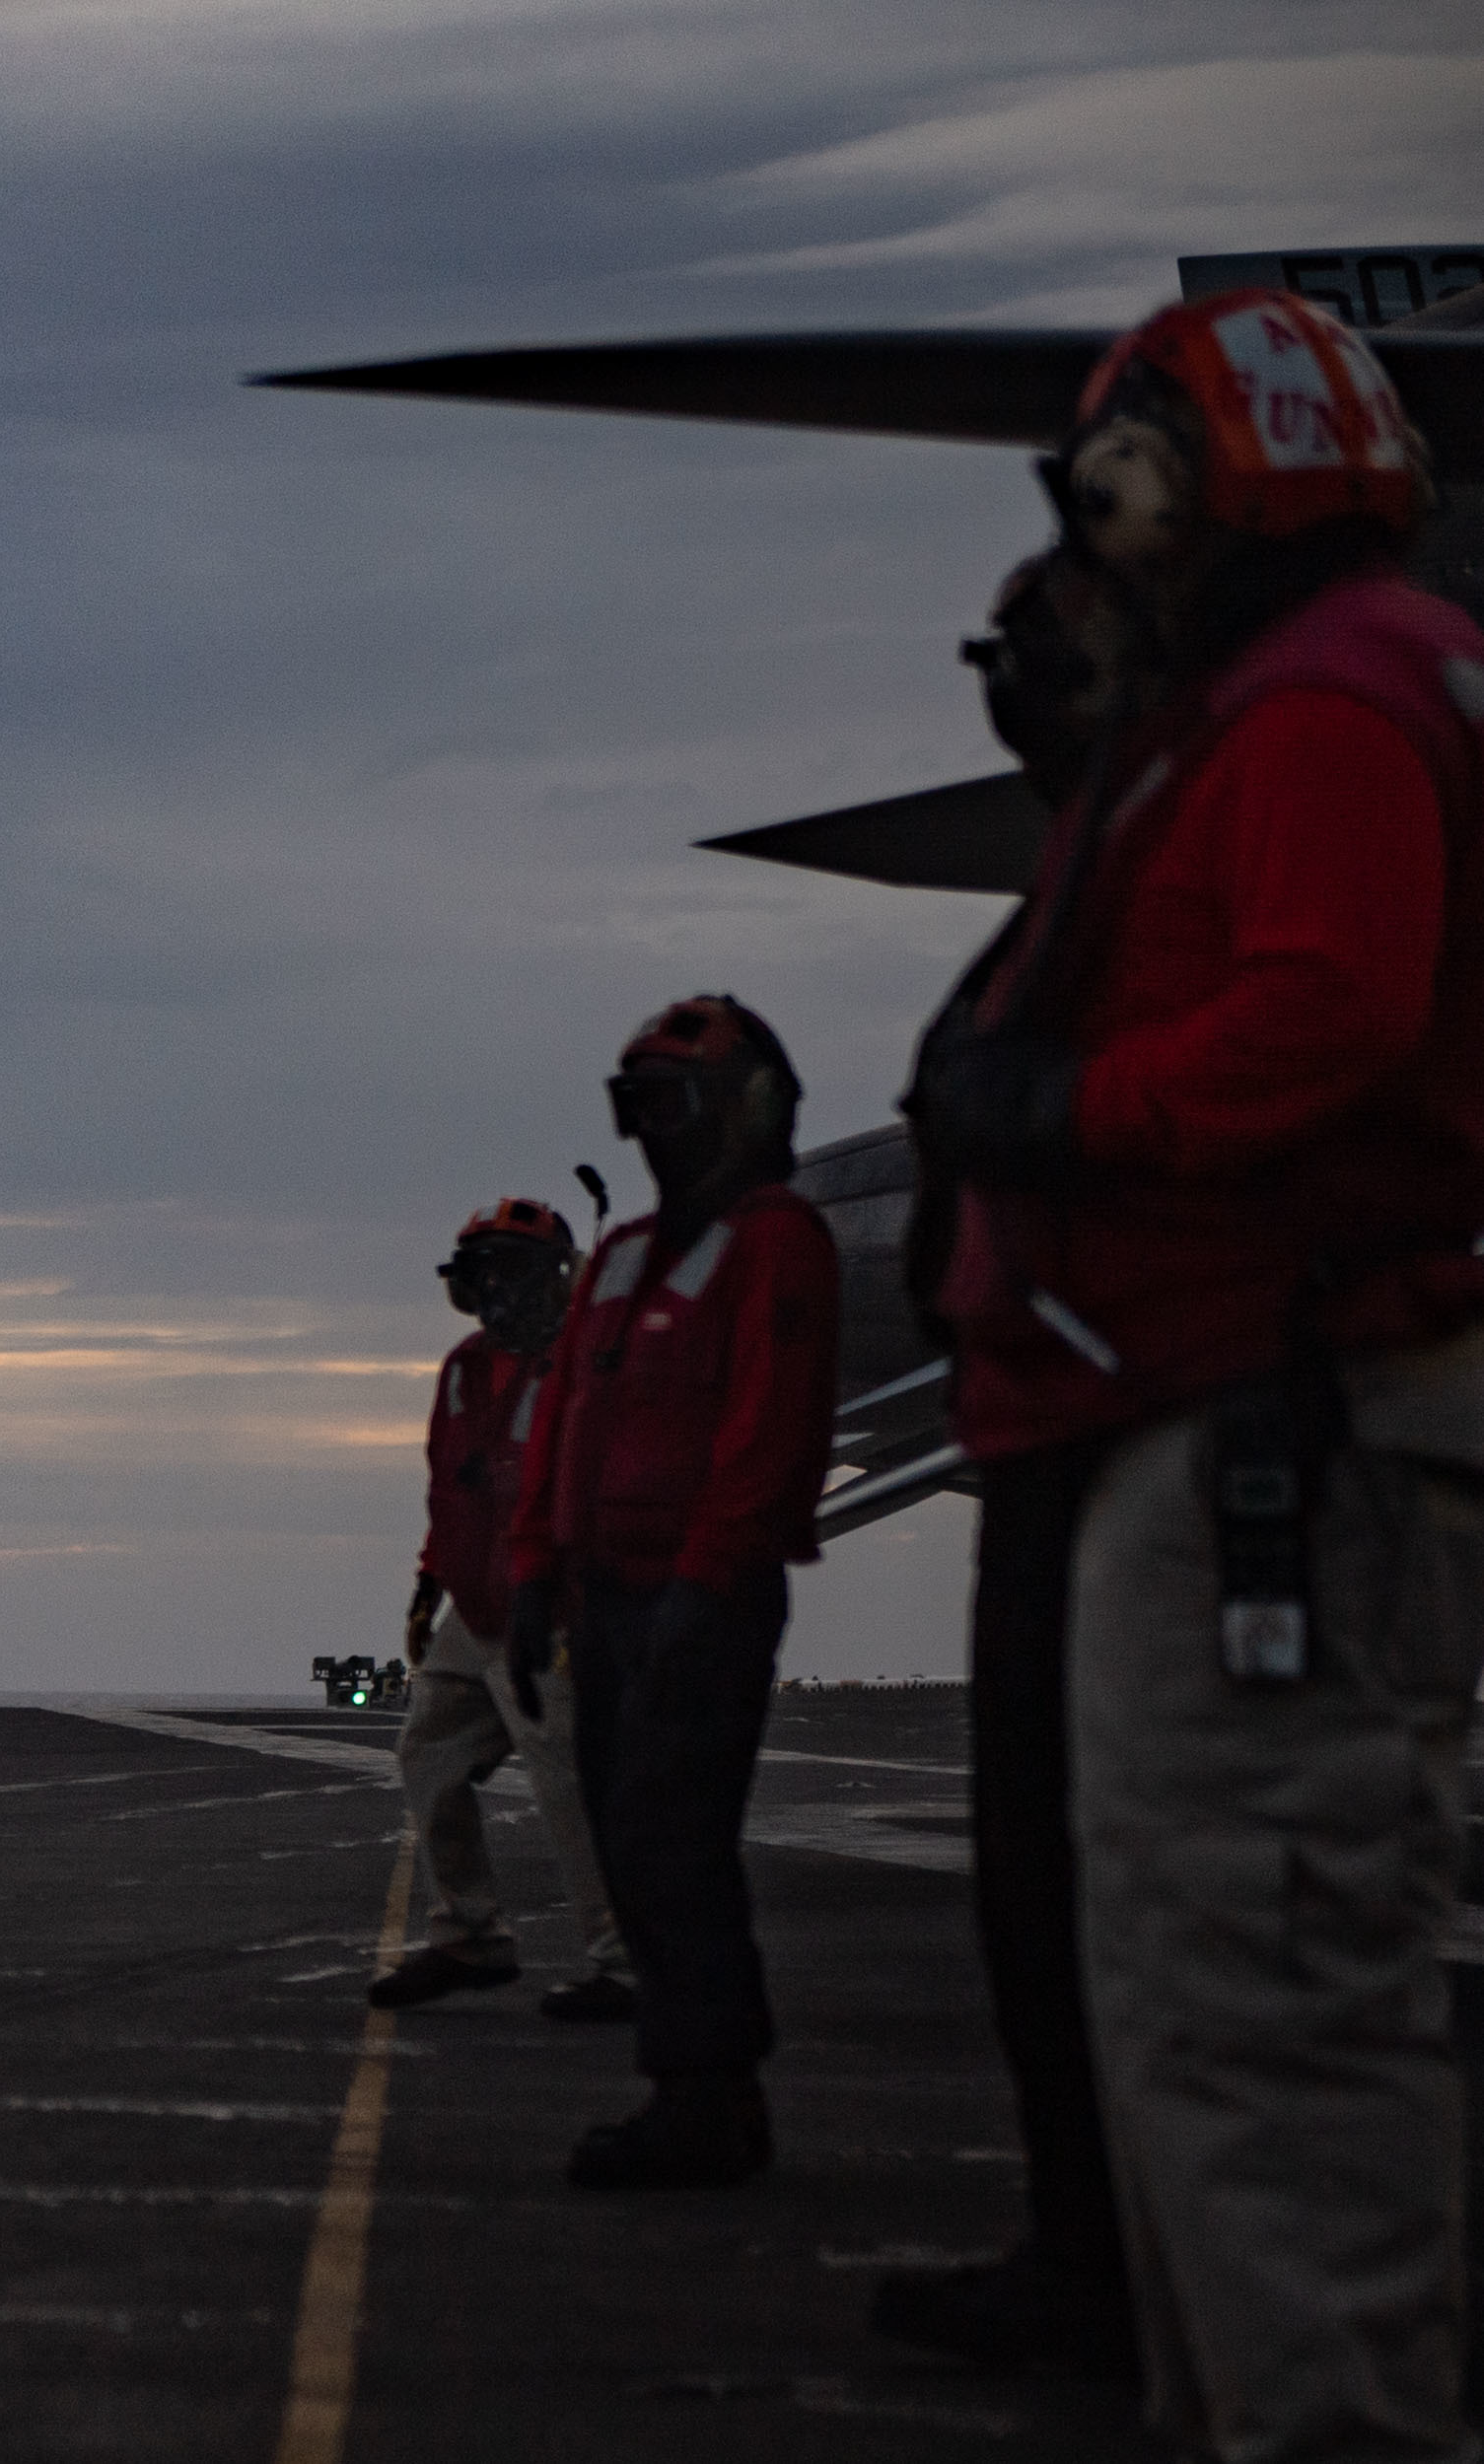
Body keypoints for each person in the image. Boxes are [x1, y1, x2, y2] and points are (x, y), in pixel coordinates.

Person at [896, 290, 1484, 2458]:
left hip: (1272, 1429)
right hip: (1229, 1416)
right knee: (1195, 2008)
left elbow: (1319, 1015)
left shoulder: (1325, 705)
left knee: (1259, 2023)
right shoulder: (1322, 692)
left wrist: (1073, 1112)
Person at [499, 995, 840, 2189]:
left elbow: (768, 1423)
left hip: (702, 1601)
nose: (650, 1129)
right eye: (633, 1106)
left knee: (673, 1844)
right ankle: (691, 2084)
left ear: (743, 1109)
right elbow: (565, 1430)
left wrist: (707, 1579)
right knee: (630, 1839)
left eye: (669, 1103)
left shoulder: (774, 1244)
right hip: (606, 1604)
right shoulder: (623, 1257)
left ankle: (706, 2091)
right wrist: (534, 1569)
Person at [366, 1198, 638, 2022]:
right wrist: (428, 1582)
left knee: (571, 1789)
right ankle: (469, 1936)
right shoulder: (461, 1370)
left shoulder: (585, 1369)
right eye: (483, 1276)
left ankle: (627, 1965)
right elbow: (451, 1490)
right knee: (427, 1753)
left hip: (553, 1607)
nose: (495, 1292)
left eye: (510, 1275)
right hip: (475, 1605)